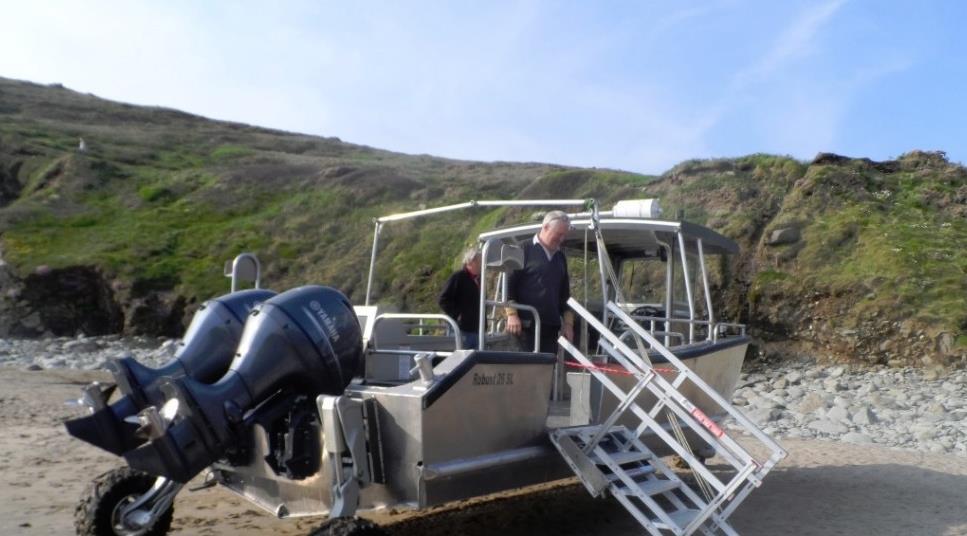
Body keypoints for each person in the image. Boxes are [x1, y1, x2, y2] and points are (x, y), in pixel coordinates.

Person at [505, 210, 574, 354]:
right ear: (546, 227)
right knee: (524, 373)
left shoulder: (561, 257)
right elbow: (508, 286)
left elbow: (565, 295)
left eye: (564, 235)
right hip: (524, 328)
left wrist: (568, 324)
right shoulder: (522, 249)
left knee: (547, 372)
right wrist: (512, 314)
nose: (561, 239)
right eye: (559, 234)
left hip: (551, 329)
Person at [438, 247, 482, 349]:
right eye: (480, 261)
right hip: (461, 331)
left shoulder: (479, 280)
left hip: (477, 330)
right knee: (461, 361)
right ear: (471, 262)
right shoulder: (458, 277)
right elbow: (443, 299)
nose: (482, 264)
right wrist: (458, 315)